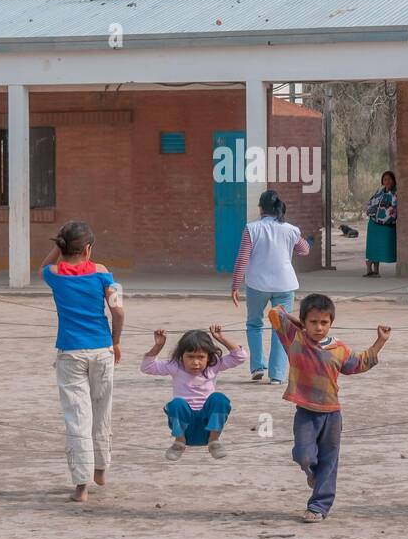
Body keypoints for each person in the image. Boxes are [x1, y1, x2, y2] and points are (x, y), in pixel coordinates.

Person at [268, 294, 391, 522]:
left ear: (331, 323)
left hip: (332, 414)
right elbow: (275, 313)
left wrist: (380, 342)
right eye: (313, 322)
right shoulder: (294, 339)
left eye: (324, 322)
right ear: (304, 322)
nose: (319, 327)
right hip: (305, 411)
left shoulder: (339, 349)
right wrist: (301, 325)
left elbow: (360, 363)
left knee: (330, 460)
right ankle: (311, 472)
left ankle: (318, 507)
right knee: (303, 455)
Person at [41, 221, 124, 503]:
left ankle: (81, 485)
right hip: (102, 350)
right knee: (102, 411)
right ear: (88, 249)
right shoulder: (103, 274)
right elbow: (119, 312)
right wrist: (116, 341)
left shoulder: (53, 275)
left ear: (61, 247)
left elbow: (44, 264)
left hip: (70, 353)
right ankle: (101, 469)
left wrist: (59, 247)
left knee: (77, 417)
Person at [231, 189, 310, 384]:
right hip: (285, 285)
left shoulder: (252, 228)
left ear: (260, 208)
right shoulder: (291, 229)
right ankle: (277, 374)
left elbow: (242, 258)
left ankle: (258, 365)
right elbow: (304, 250)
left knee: (254, 323)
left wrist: (235, 285)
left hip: (257, 284)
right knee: (281, 328)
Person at [141, 325, 245, 461]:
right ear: (181, 356)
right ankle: (179, 443)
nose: (195, 362)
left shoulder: (214, 365)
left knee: (219, 399)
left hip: (209, 426)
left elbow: (240, 356)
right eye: (190, 357)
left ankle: (214, 442)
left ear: (209, 357)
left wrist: (221, 338)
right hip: (184, 426)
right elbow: (146, 367)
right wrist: (158, 346)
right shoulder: (175, 366)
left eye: (201, 357)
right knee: (176, 404)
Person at [363, 171, 398, 277]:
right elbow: (371, 203)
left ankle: (375, 270)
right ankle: (371, 269)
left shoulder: (395, 193)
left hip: (387, 225)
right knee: (373, 246)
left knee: (384, 246)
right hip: (374, 223)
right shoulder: (379, 191)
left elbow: (394, 207)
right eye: (385, 179)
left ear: (394, 181)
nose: (387, 181)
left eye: (389, 179)